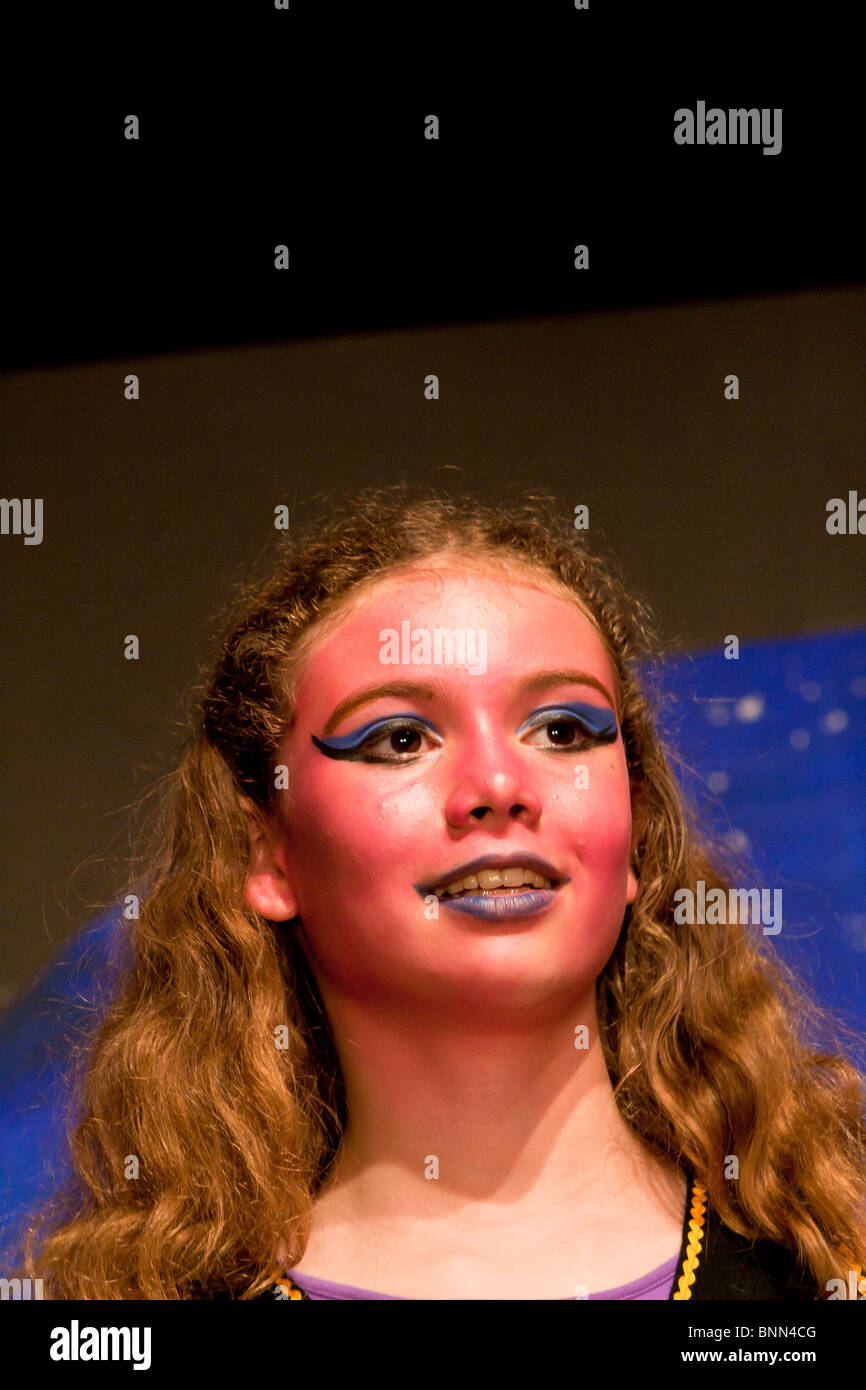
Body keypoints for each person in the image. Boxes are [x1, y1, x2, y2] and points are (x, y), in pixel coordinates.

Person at [21, 483, 866, 1299]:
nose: (499, 784)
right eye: (399, 738)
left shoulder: (828, 1265)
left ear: (636, 825)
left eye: (562, 729)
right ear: (268, 854)